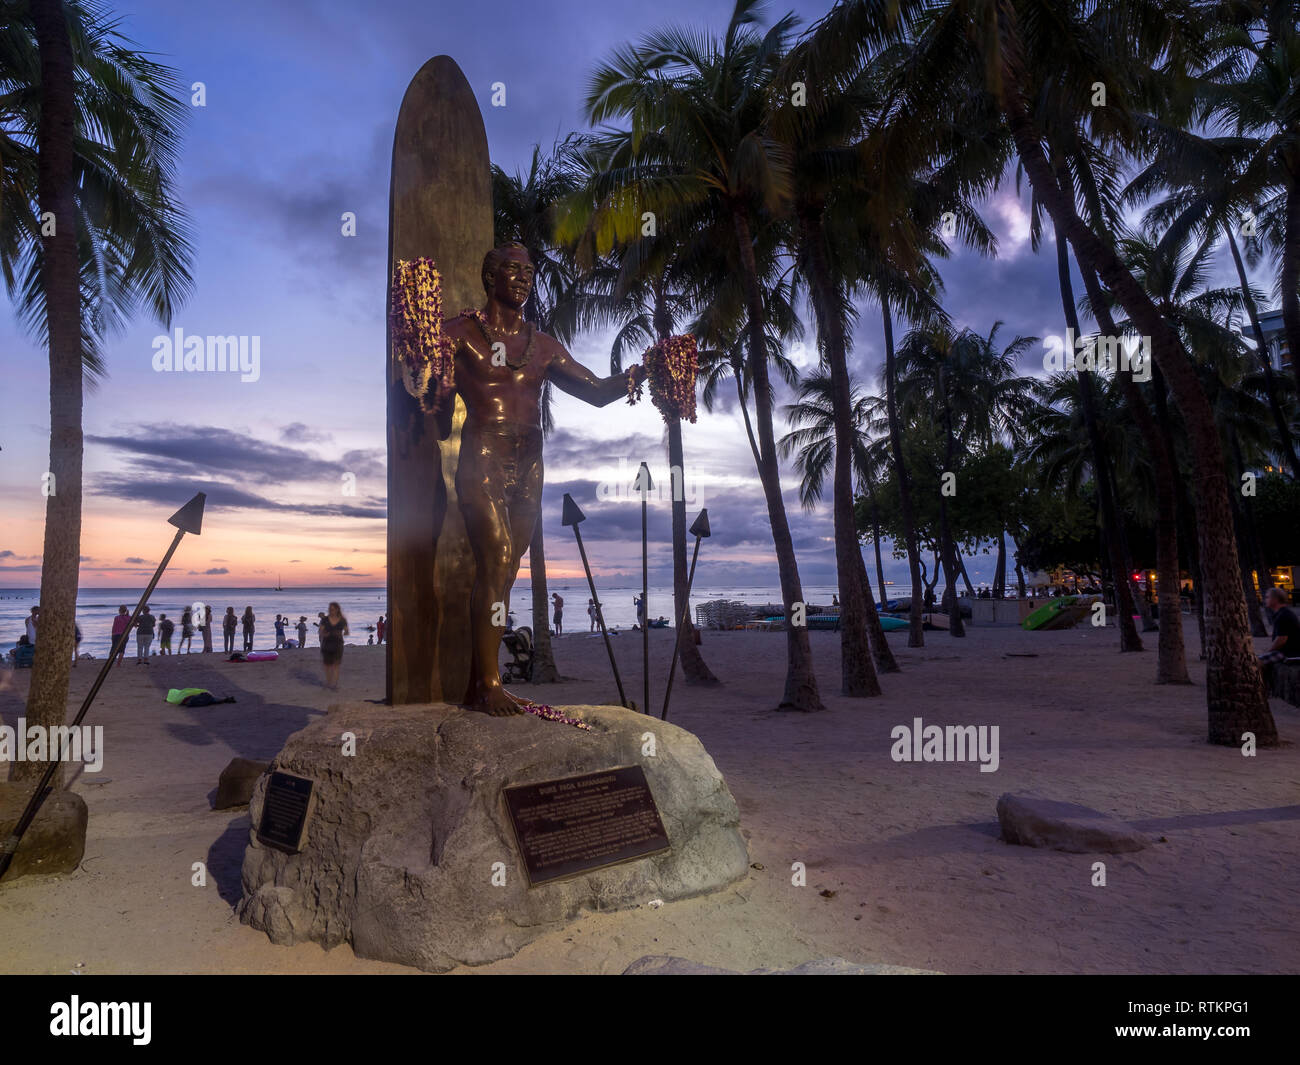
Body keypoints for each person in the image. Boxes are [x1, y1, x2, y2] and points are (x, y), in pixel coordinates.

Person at [1258, 587, 1300, 675]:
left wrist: (1270, 651)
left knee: (1257, 662)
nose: (1265, 599)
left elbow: (1281, 640)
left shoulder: (1283, 615)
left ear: (1275, 599)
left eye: (1267, 597)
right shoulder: (1283, 613)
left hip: (1289, 653)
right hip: (1288, 651)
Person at [319, 601, 349, 690]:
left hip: (338, 644)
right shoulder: (325, 620)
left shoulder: (342, 620)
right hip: (327, 644)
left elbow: (347, 631)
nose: (330, 611)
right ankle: (328, 683)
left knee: (336, 665)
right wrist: (325, 634)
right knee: (327, 665)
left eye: (332, 609)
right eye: (329, 609)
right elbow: (321, 631)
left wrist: (343, 633)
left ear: (337, 610)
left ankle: (335, 684)